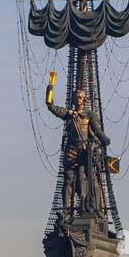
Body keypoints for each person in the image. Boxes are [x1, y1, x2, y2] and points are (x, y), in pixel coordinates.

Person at [46, 71, 110, 215]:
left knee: (89, 179)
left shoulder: (89, 114)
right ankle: (66, 210)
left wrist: (104, 139)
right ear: (73, 99)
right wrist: (50, 87)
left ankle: (92, 207)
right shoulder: (69, 114)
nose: (78, 99)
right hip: (72, 150)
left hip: (86, 151)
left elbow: (97, 130)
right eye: (76, 97)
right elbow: (51, 106)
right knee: (68, 179)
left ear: (84, 99)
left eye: (80, 97)